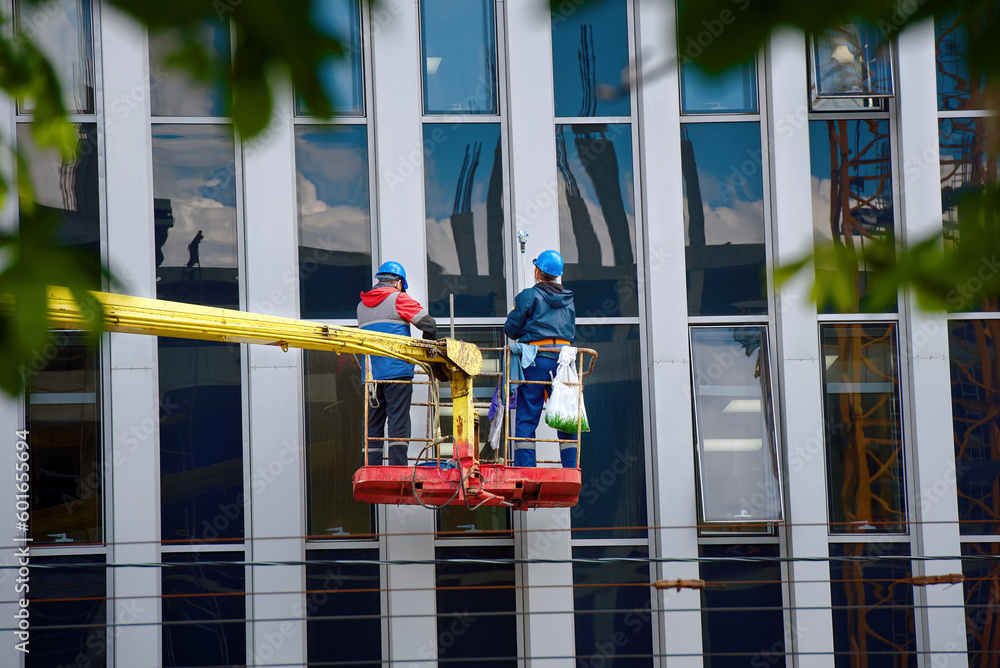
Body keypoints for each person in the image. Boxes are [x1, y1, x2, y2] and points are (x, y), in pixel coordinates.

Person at [358, 261, 438, 466]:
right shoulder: (398, 299)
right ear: (399, 283)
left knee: (373, 425)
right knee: (398, 420)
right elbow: (428, 323)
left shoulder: (362, 306)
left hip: (371, 376)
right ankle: (397, 467)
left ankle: (371, 466)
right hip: (396, 372)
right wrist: (427, 347)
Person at [503, 250, 577, 468]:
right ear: (557, 275)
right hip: (564, 361)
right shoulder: (568, 301)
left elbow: (511, 330)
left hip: (536, 359)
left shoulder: (529, 295)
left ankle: (526, 468)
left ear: (537, 271)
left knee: (528, 412)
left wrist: (516, 311)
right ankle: (570, 467)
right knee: (566, 412)